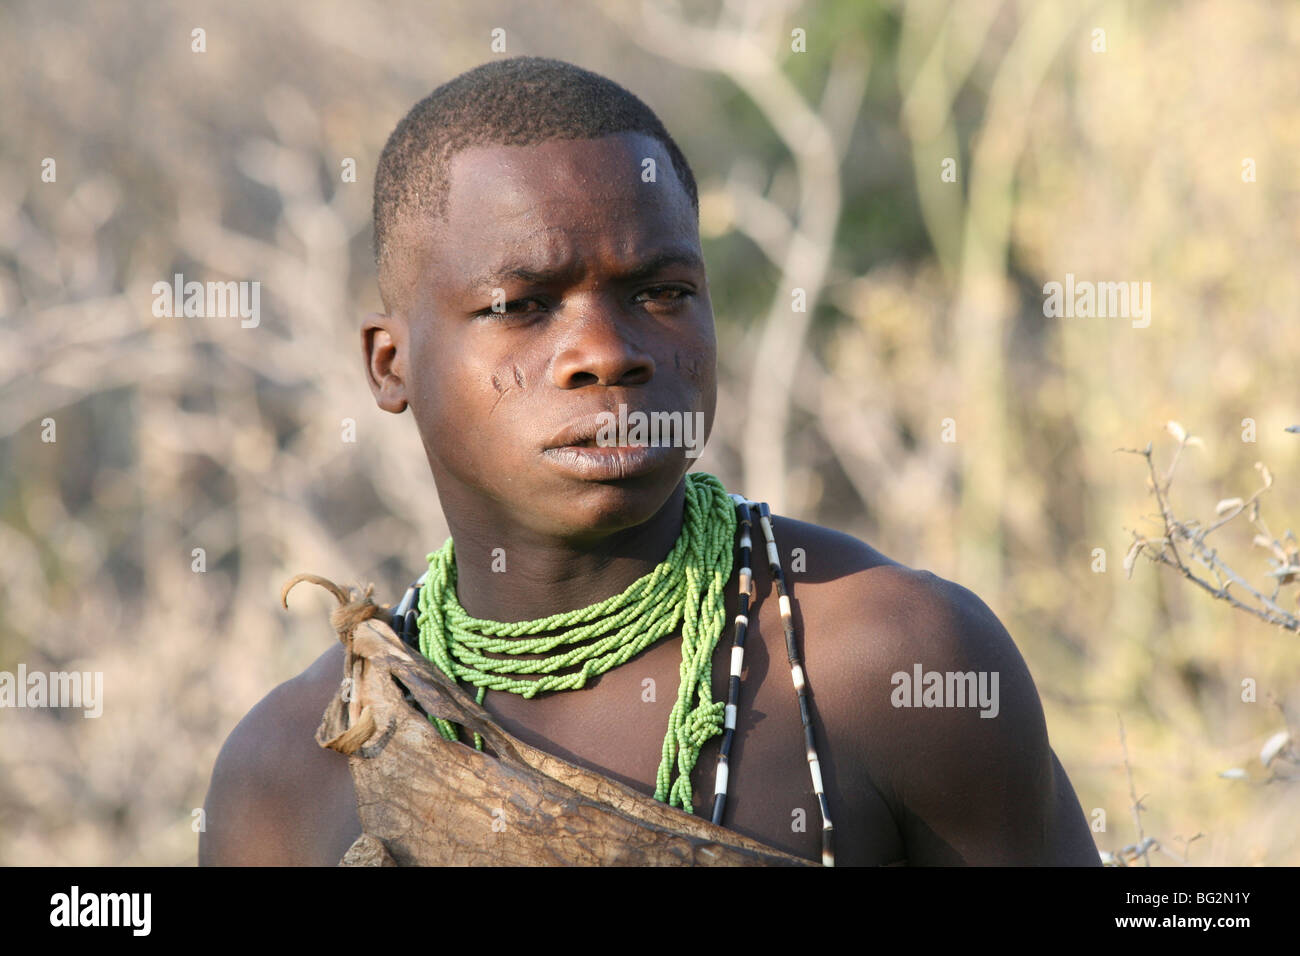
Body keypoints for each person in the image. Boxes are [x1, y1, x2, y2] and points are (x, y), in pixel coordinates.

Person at [199, 55, 1099, 867]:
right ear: (390, 365)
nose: (605, 351)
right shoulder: (297, 770)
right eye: (523, 305)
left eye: (662, 293)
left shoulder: (889, 663)